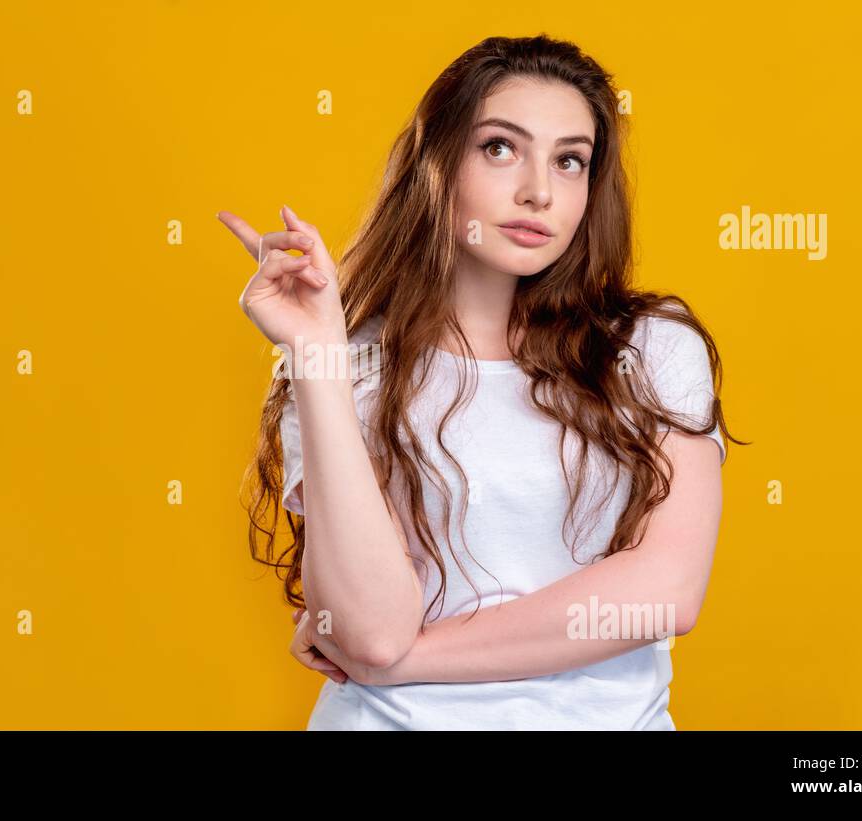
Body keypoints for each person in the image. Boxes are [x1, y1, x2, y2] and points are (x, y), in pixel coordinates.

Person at [219, 33, 745, 730]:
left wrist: (407, 660)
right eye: (500, 147)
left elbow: (666, 591)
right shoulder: (349, 364)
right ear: (439, 164)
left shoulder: (652, 347)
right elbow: (372, 630)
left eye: (570, 161)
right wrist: (319, 350)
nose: (538, 191)